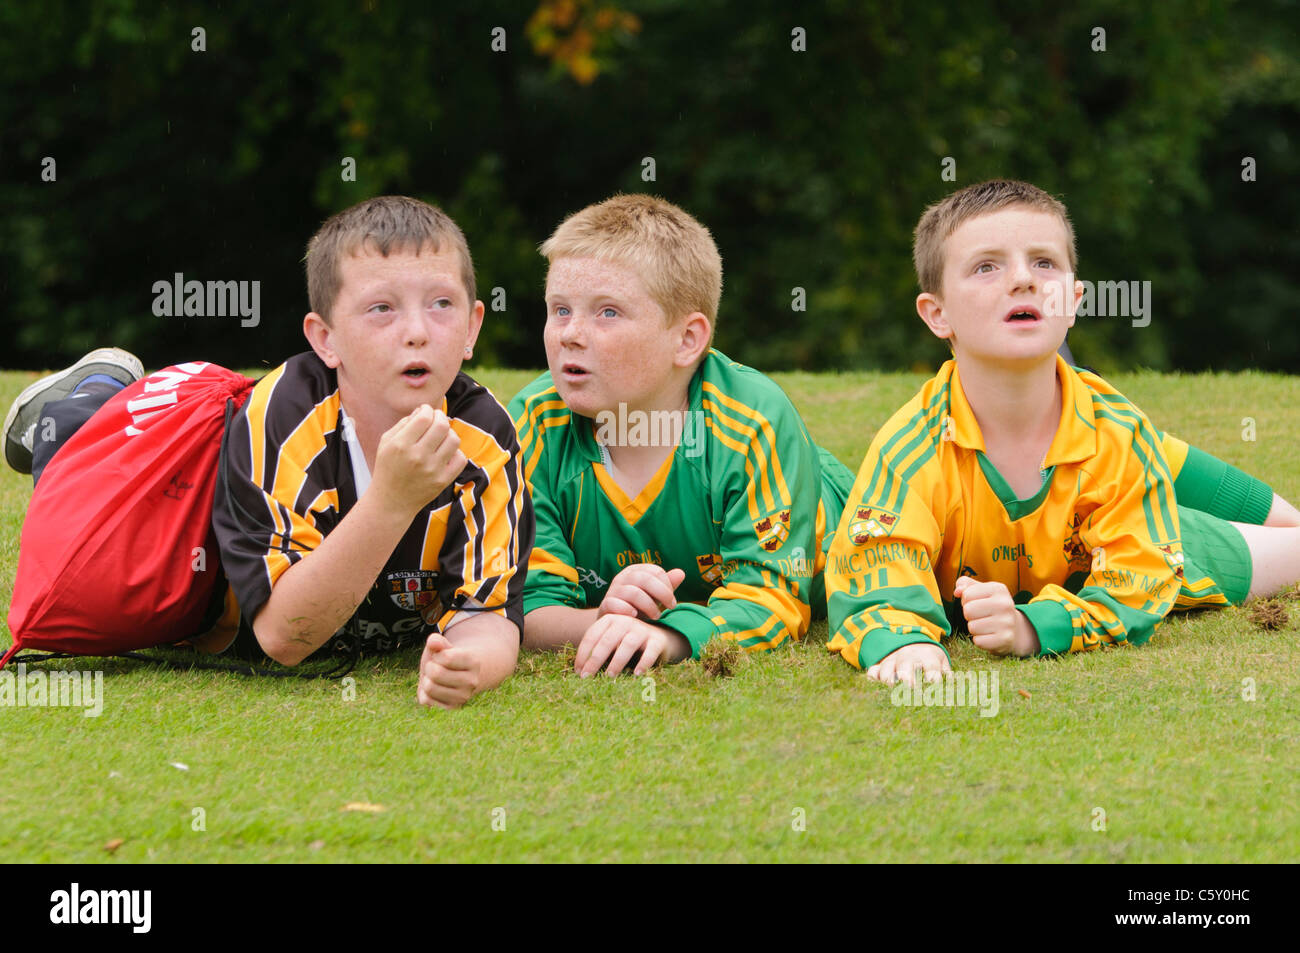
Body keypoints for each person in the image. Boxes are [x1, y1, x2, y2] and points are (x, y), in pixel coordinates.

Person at [4, 196, 533, 709]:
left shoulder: (485, 436)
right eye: (381, 309)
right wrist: (392, 500)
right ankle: (79, 411)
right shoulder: (283, 415)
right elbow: (285, 637)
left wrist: (471, 664)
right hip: (207, 583)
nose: (417, 332)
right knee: (98, 574)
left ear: (472, 327)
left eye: (441, 304)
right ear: (325, 340)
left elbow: (488, 615)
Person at [826, 179, 1300, 683]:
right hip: (1114, 465)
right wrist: (904, 640)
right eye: (987, 266)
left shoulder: (1120, 434)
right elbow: (877, 561)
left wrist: (1030, 627)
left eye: (1044, 263)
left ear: (1072, 302)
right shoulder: (912, 445)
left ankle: (1181, 482)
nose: (1023, 280)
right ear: (937, 313)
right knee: (1129, 444)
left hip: (1163, 538)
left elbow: (1134, 586)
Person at [509, 194, 853, 677]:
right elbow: (530, 605)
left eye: (607, 312)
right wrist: (602, 621)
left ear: (688, 340)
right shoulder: (531, 424)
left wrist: (668, 635)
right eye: (560, 310)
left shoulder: (753, 421)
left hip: (833, 514)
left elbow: (771, 599)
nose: (570, 334)